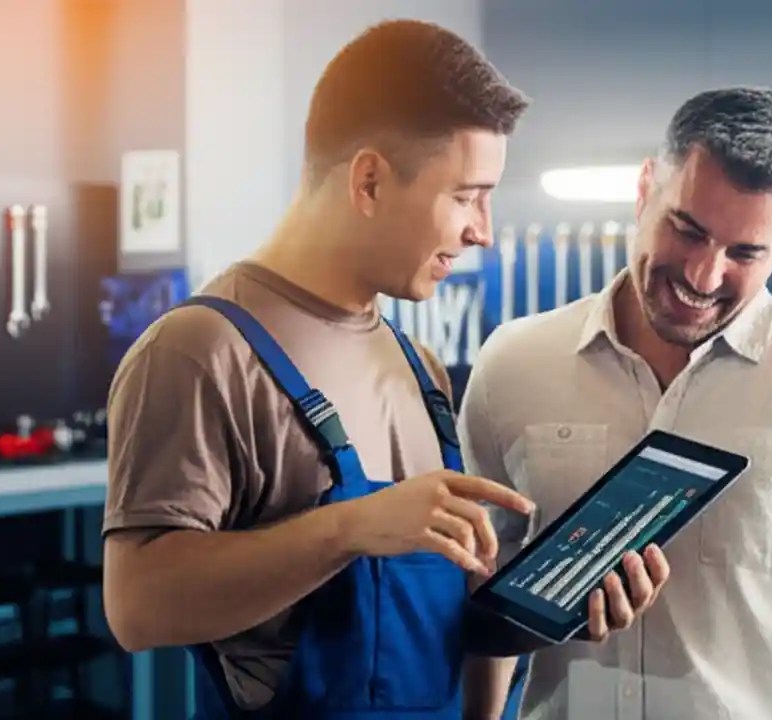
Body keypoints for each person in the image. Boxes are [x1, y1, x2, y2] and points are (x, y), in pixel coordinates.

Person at [100, 19, 668, 720]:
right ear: (368, 180)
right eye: (465, 195)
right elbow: (137, 606)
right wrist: (351, 528)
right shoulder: (198, 352)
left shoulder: (416, 364)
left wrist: (550, 606)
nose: (482, 230)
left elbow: (451, 620)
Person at [458, 86, 772, 719]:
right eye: (686, 230)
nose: (703, 276)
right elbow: (479, 592)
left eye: (745, 253)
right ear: (643, 191)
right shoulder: (512, 364)